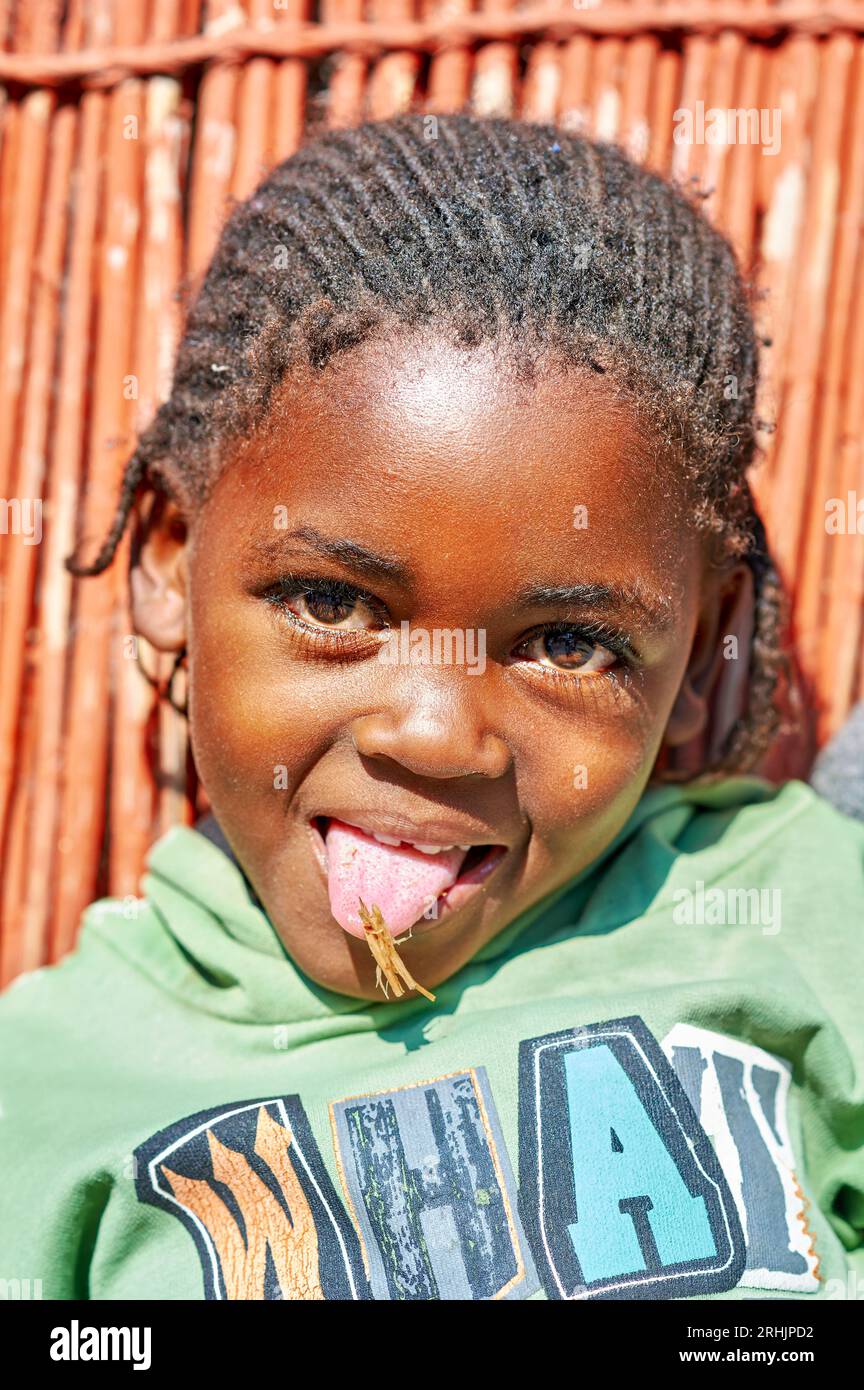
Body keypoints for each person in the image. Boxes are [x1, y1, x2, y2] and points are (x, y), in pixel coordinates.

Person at [1, 114, 861, 1303]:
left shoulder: (810, 918)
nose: (435, 734)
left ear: (706, 637)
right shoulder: (40, 1099)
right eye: (330, 601)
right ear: (166, 555)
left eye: (568, 643)